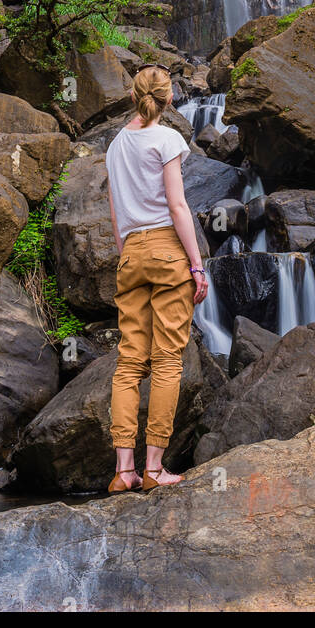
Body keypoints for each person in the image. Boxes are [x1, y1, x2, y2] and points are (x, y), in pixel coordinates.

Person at [105, 64, 209, 492]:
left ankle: (122, 471)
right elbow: (178, 205)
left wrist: (126, 255)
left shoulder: (114, 146)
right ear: (169, 100)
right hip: (168, 250)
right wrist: (197, 264)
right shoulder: (168, 138)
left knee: (129, 362)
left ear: (133, 96)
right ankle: (153, 470)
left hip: (130, 253)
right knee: (167, 360)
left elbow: (115, 215)